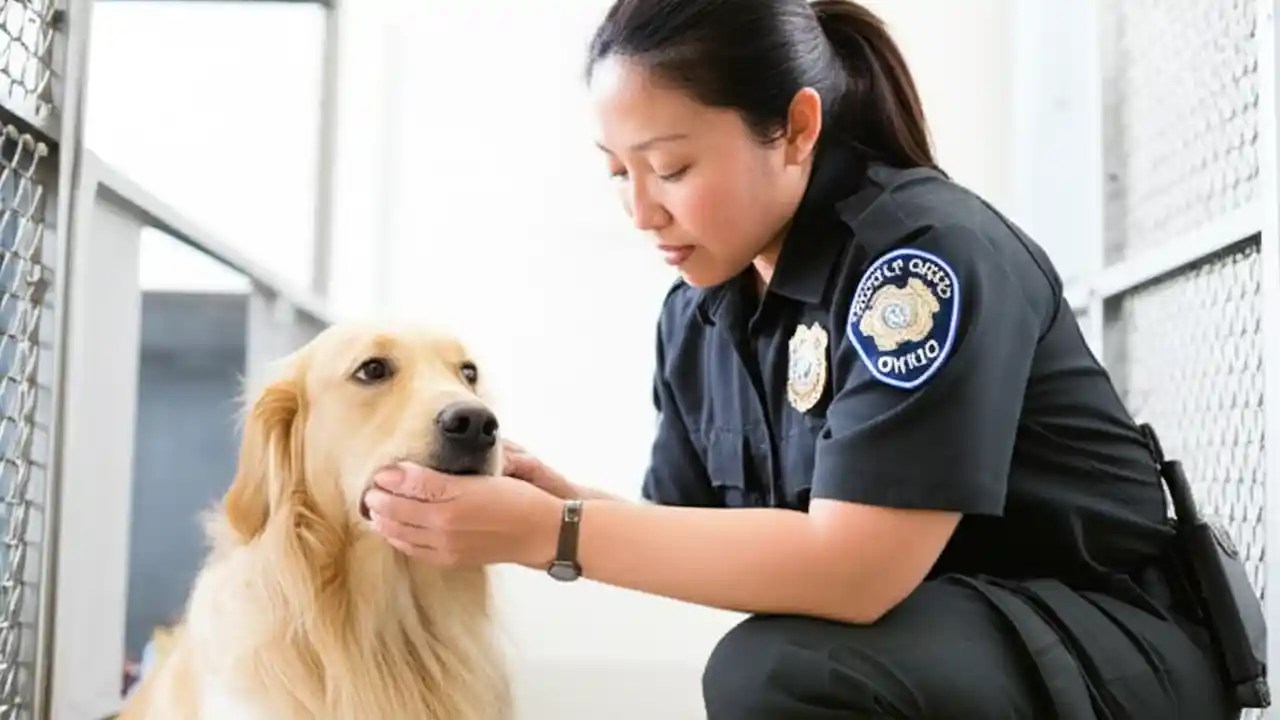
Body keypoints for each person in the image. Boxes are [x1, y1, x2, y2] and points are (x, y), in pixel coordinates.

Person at [362, 0, 1241, 717]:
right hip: (958, 648)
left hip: (1111, 647)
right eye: (616, 174)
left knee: (778, 671)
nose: (640, 213)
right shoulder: (699, 317)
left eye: (668, 167)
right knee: (780, 662)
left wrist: (549, 536)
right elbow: (706, 540)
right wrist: (559, 507)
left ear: (794, 130)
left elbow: (856, 571)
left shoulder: (921, 262)